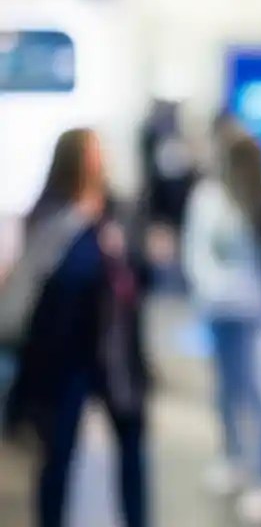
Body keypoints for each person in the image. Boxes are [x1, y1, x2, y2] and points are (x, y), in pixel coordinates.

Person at [3, 129, 150, 527]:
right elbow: (52, 280)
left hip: (114, 348)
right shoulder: (52, 212)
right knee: (58, 454)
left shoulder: (115, 210)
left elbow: (137, 271)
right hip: (65, 351)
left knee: (132, 446)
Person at [182, 124, 261, 524]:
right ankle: (233, 458)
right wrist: (209, 289)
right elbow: (196, 251)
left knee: (253, 390)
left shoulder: (259, 204)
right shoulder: (209, 197)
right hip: (218, 309)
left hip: (251, 310)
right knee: (224, 388)